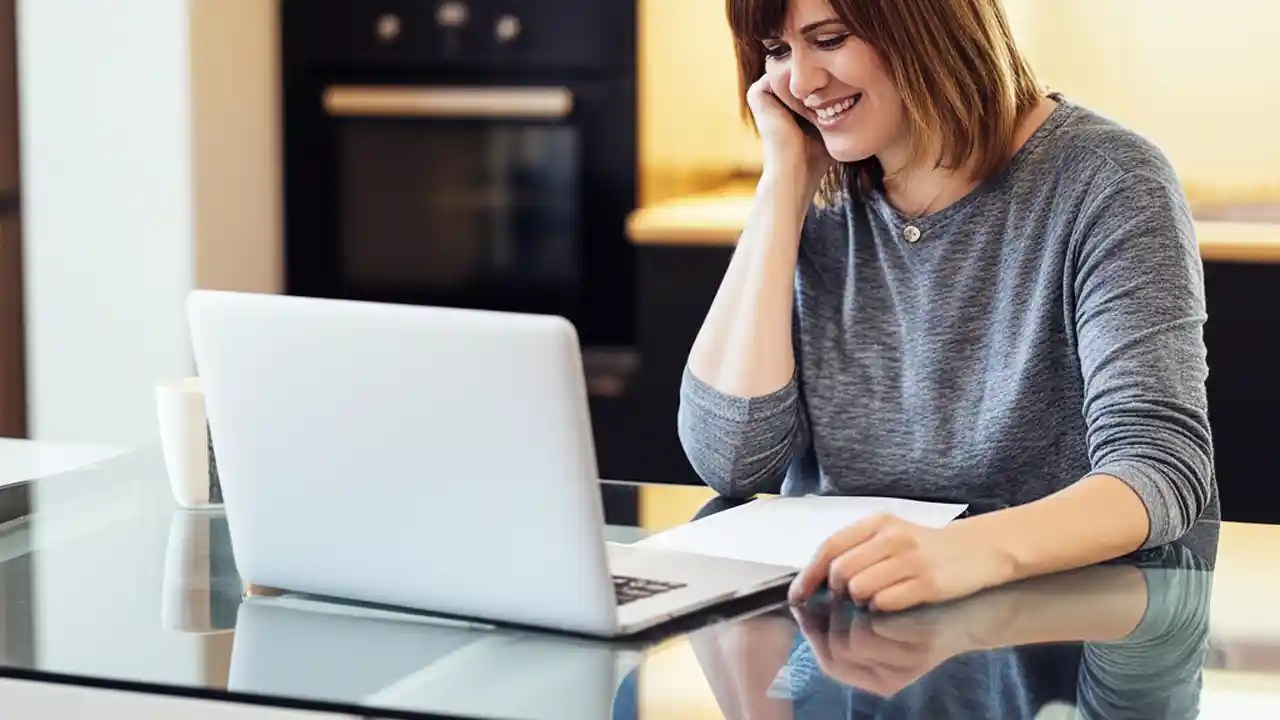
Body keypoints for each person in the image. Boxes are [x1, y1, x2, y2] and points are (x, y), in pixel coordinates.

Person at [677, 0, 1216, 612]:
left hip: (1046, 636)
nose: (800, 84)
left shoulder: (1107, 180)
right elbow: (732, 461)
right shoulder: (818, 199)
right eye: (777, 52)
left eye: (829, 40)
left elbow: (1160, 468)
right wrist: (783, 186)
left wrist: (968, 550)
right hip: (846, 636)